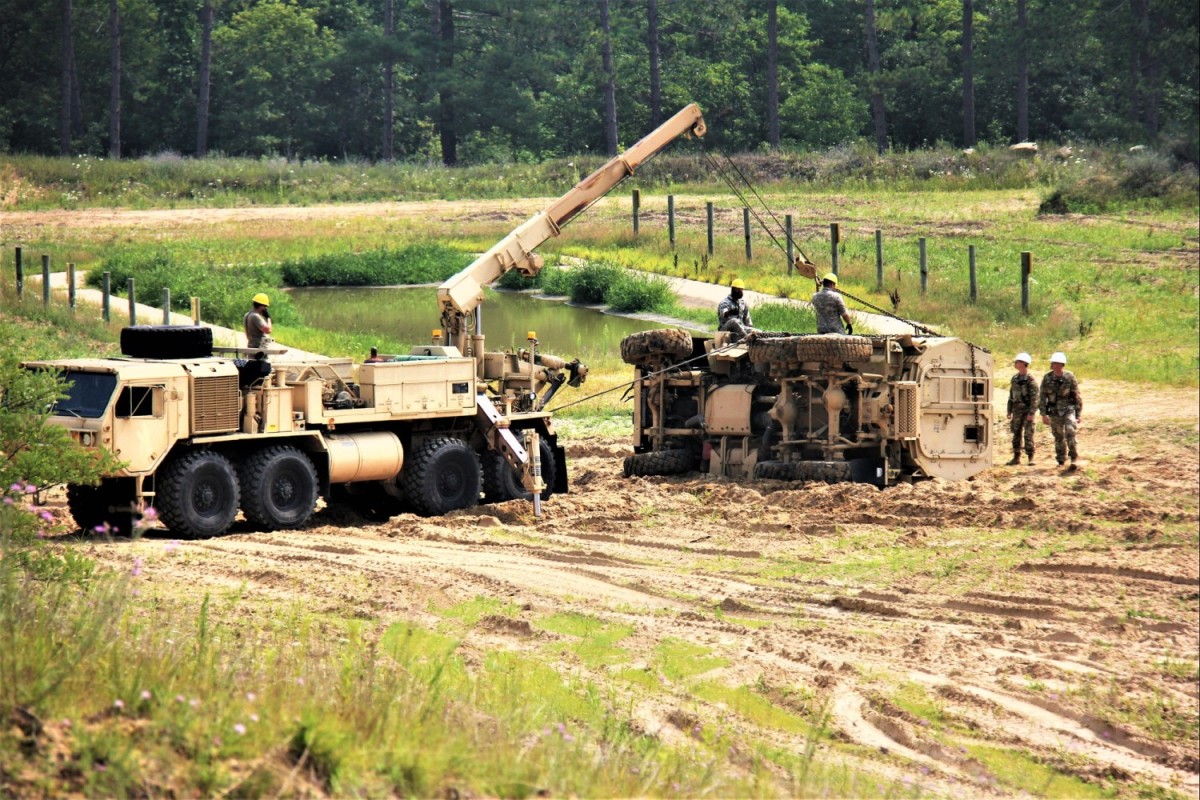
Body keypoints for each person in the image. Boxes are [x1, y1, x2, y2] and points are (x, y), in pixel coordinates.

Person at [1039, 351, 1083, 471]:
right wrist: (1043, 414)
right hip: (1054, 411)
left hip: (1068, 409)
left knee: (1070, 431)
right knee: (1058, 436)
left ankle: (1073, 458)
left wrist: (1078, 413)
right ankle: (1061, 460)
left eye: (1059, 364)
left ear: (1063, 365)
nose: (1056, 366)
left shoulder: (1069, 377)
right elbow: (1042, 397)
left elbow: (1076, 396)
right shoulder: (1047, 378)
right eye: (1054, 363)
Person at [1006, 352, 1038, 465]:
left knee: (1028, 434)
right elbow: (1011, 395)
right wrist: (1009, 410)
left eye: (1018, 362)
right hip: (1016, 411)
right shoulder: (1015, 379)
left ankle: (1031, 457)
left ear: (1024, 364)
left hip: (1027, 410)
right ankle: (1016, 457)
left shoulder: (1030, 380)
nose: (1016, 363)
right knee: (1016, 433)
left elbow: (1035, 398)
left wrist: (1032, 412)